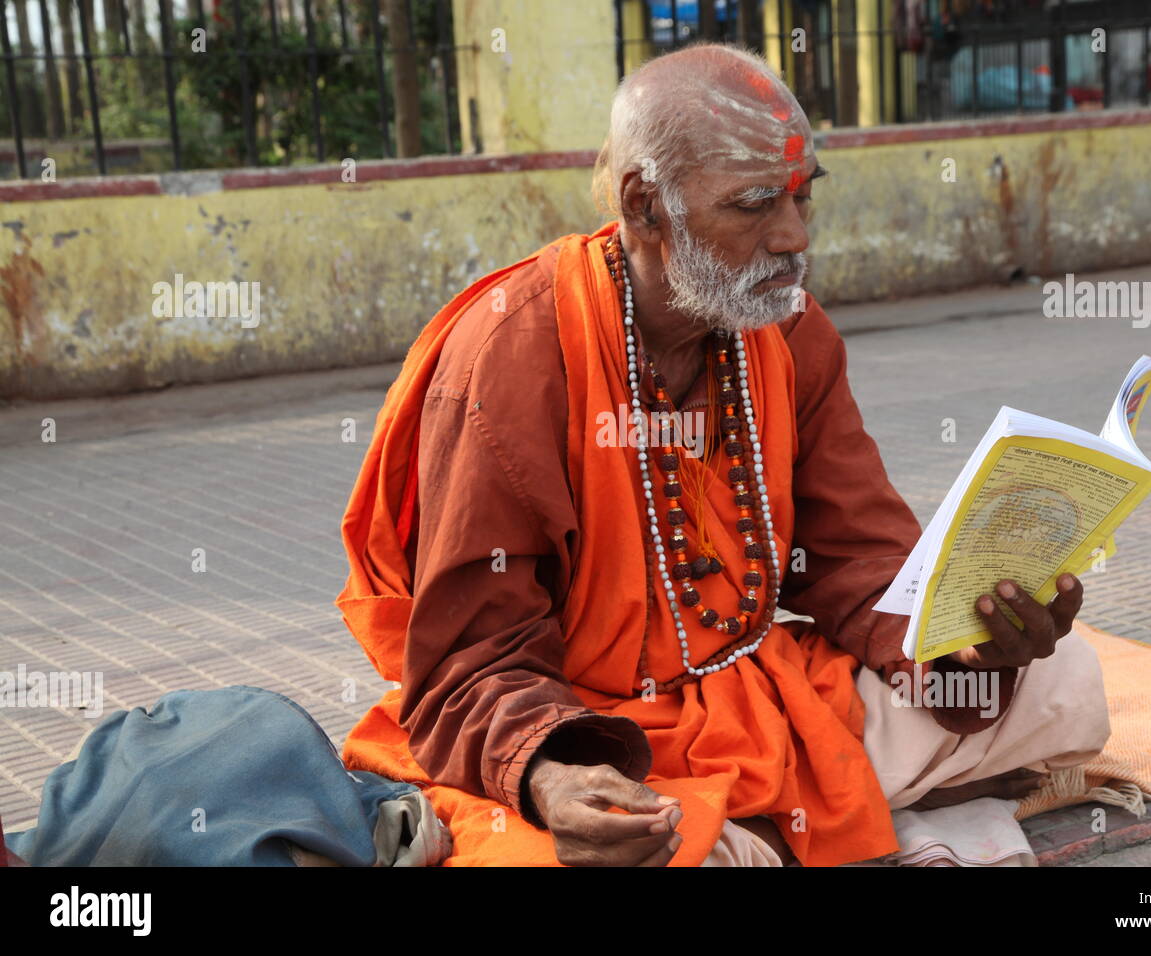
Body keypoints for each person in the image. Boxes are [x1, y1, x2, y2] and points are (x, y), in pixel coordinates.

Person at [336, 42, 1110, 867]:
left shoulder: (786, 328)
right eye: (753, 204)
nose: (793, 236)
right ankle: (765, 822)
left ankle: (758, 827)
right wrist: (552, 777)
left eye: (802, 197)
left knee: (1068, 689)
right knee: (591, 846)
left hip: (756, 693)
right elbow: (470, 657)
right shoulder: (513, 359)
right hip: (590, 727)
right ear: (645, 206)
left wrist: (961, 642)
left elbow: (856, 556)